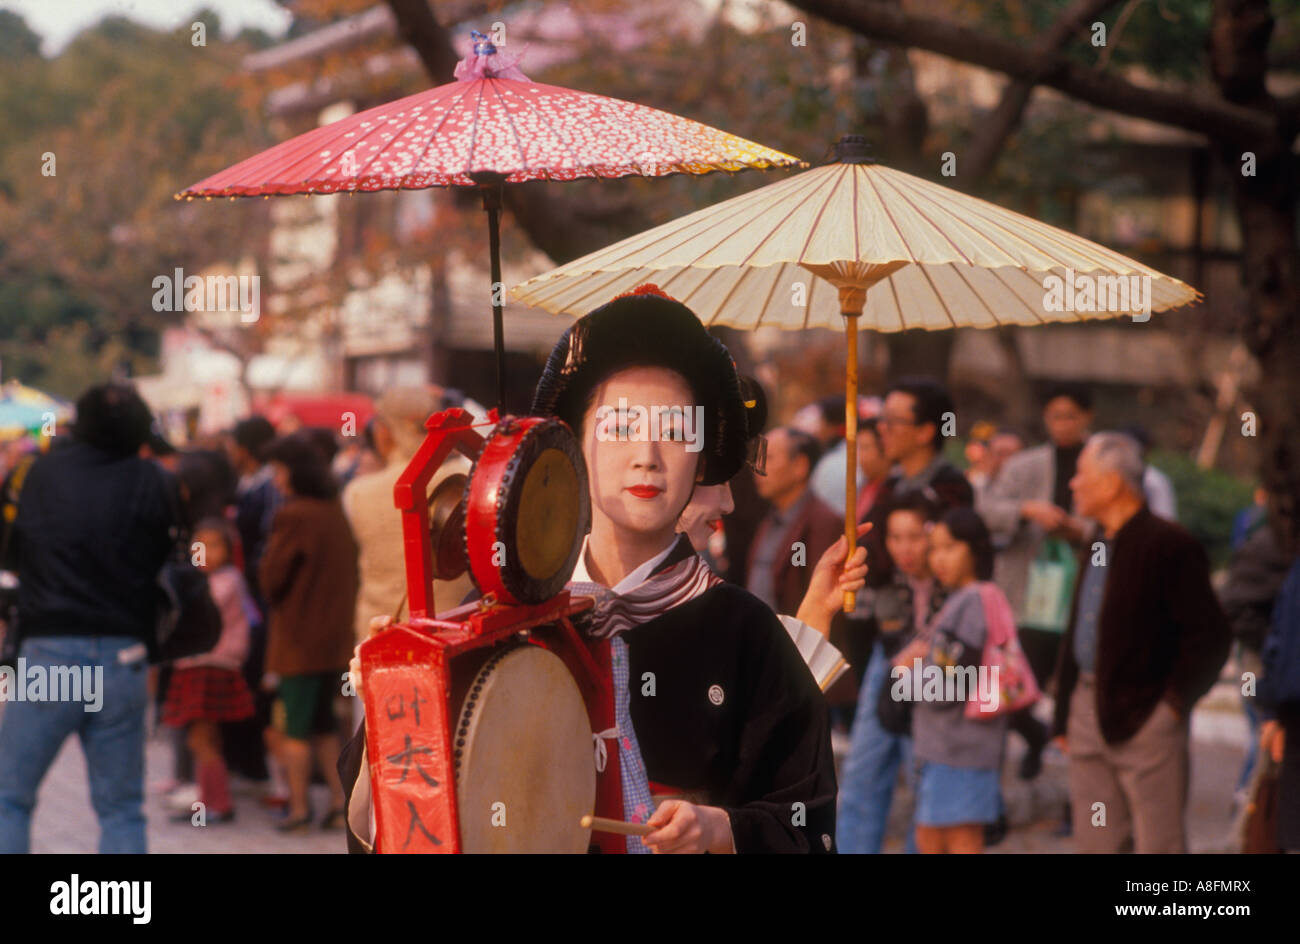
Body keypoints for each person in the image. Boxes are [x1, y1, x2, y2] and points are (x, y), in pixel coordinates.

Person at [342, 285, 838, 853]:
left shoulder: (749, 635)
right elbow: (417, 821)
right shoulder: (500, 618)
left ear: (701, 458)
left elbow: (808, 821)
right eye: (619, 427)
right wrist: (396, 704)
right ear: (572, 444)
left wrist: (719, 829)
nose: (647, 454)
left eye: (676, 432)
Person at [0, 383, 176, 854]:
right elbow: (167, 557)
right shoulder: (153, 480)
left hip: (51, 654)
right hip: (123, 655)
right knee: (121, 809)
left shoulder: (39, 474)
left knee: (10, 798)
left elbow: (15, 555)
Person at [1052, 432, 1230, 853]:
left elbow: (1210, 637)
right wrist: (1064, 714)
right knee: (1096, 840)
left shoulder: (1169, 544)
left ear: (1113, 482)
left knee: (1158, 843)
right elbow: (1081, 624)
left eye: (1081, 475)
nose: (1072, 485)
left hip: (1147, 717)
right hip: (1087, 709)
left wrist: (1171, 706)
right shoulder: (1098, 538)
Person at [976, 382, 1094, 780]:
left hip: (1080, 593)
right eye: (1055, 416)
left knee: (1075, 692)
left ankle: (1072, 788)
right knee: (1012, 683)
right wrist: (1027, 510)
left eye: (1070, 416)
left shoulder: (1100, 460)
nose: (1061, 425)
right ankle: (1033, 735)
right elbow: (987, 508)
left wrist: (1081, 531)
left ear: (1087, 418)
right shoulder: (1026, 465)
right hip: (1028, 593)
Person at [897, 507, 1012, 854]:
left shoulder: (970, 602)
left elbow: (948, 686)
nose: (938, 559)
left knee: (946, 841)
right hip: (957, 749)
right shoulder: (972, 598)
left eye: (950, 547)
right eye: (934, 549)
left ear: (974, 548)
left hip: (957, 751)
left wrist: (903, 673)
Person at [260, 430, 359, 832]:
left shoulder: (294, 514)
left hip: (299, 642)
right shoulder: (334, 508)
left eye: (279, 470)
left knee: (295, 729)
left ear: (294, 472)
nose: (276, 479)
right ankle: (339, 806)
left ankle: (299, 809)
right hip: (334, 641)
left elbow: (271, 579)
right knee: (324, 727)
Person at [837, 492, 946, 854]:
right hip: (885, 668)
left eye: (915, 536)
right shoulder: (882, 575)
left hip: (938, 678)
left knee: (925, 781)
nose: (905, 548)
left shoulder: (952, 573)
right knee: (861, 776)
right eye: (896, 537)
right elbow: (857, 629)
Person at [161, 518, 256, 823]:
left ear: (228, 551)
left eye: (214, 545)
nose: (205, 552)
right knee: (206, 739)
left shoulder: (225, 581)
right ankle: (210, 802)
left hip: (210, 666)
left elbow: (193, 611)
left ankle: (216, 805)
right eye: (199, 545)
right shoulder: (203, 580)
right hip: (199, 665)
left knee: (201, 740)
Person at [862, 376, 973, 591]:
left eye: (892, 421)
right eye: (881, 419)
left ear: (925, 432)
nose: (882, 429)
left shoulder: (951, 489)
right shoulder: (890, 485)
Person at [746, 427, 842, 616]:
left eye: (769, 458)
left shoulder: (821, 522)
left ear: (800, 466)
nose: (757, 467)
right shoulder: (770, 518)